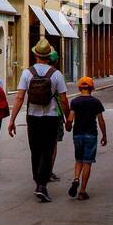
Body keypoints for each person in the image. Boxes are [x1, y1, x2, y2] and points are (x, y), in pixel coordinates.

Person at [8, 38, 69, 202]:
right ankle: (42, 185)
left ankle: (38, 182)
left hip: (33, 118)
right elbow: (63, 100)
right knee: (47, 151)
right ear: (49, 56)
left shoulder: (27, 73)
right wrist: (68, 117)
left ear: (35, 55)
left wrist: (12, 120)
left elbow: (20, 97)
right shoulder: (56, 74)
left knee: (35, 151)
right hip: (50, 118)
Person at [66, 77, 107, 199]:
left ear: (79, 88)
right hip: (91, 135)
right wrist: (104, 135)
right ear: (91, 89)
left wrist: (67, 125)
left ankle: (76, 179)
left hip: (77, 134)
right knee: (87, 162)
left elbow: (70, 119)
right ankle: (82, 191)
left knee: (78, 160)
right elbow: (101, 121)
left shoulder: (75, 102)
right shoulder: (96, 102)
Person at [48, 47, 64, 183]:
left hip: (36, 114)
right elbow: (63, 98)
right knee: (53, 145)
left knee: (40, 145)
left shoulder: (33, 73)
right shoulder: (57, 74)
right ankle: (49, 171)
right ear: (56, 61)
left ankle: (40, 171)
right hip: (55, 114)